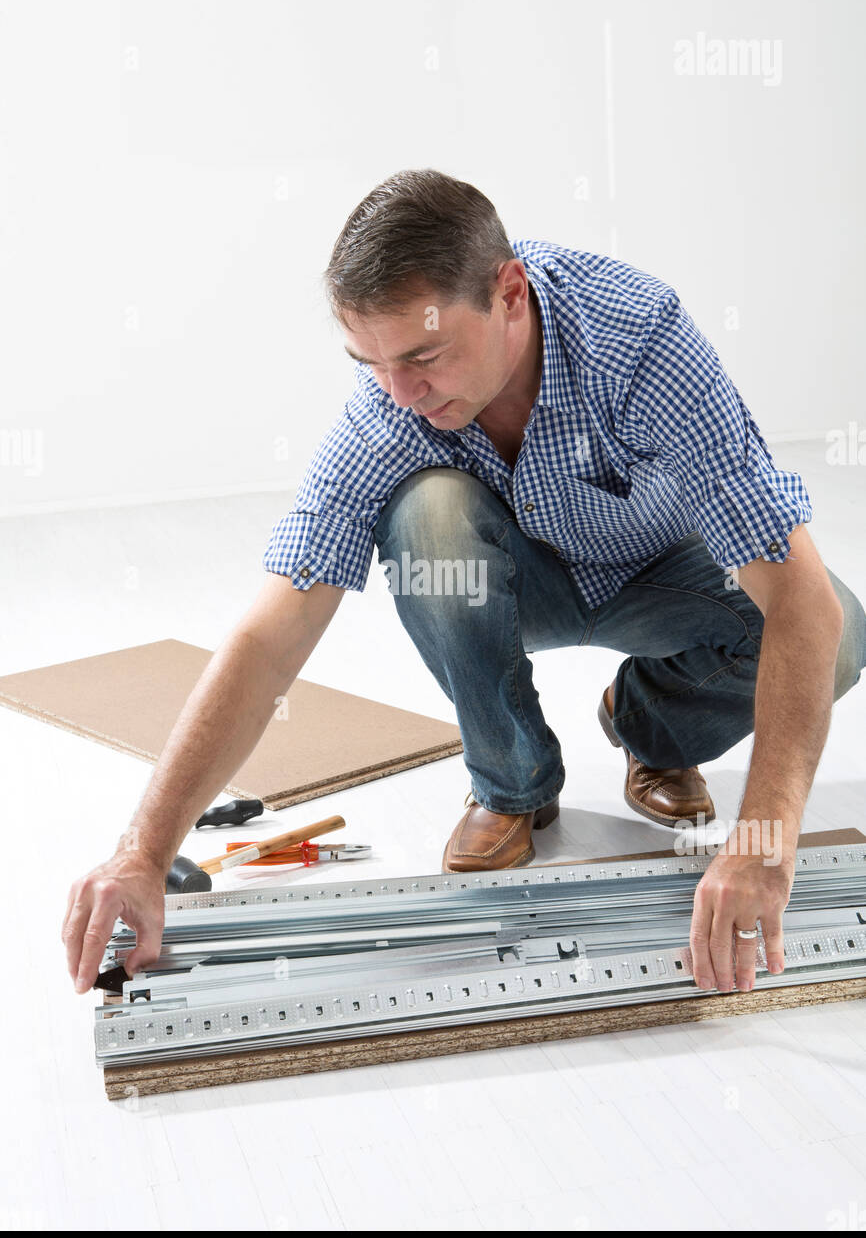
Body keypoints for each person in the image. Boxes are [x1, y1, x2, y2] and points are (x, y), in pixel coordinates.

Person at [62, 169, 866, 999]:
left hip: (661, 567)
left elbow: (802, 603)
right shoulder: (389, 410)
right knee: (428, 519)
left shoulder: (642, 339)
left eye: (423, 357)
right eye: (370, 363)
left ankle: (650, 730)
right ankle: (514, 784)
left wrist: (765, 842)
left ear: (509, 292)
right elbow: (269, 639)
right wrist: (143, 852)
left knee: (843, 629)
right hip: (515, 578)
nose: (400, 393)